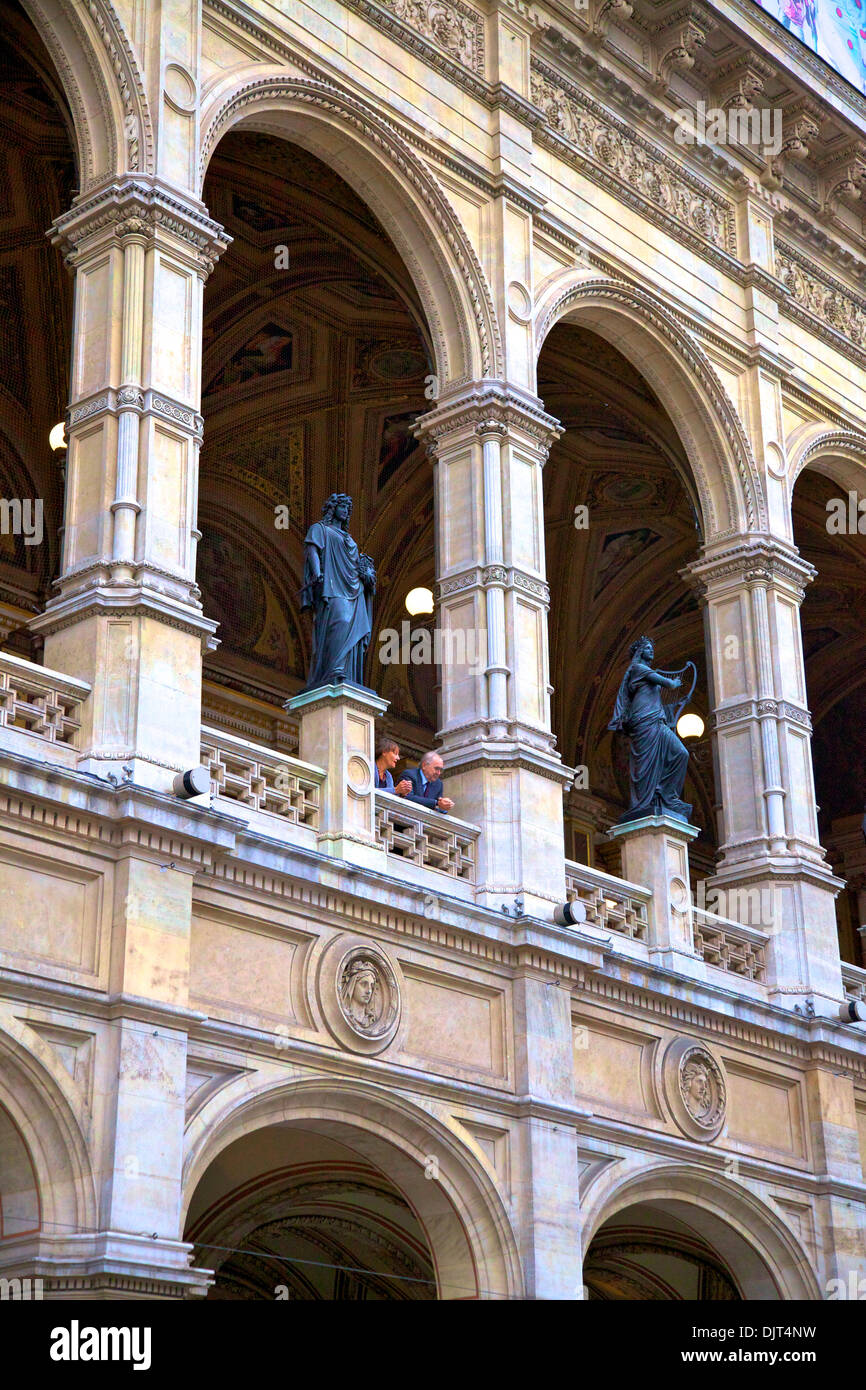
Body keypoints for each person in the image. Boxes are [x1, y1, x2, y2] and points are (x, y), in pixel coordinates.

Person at [608, 635, 692, 824]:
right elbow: (669, 684)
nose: (651, 650)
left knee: (681, 753)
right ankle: (646, 802)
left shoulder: (644, 673)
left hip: (656, 721)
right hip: (644, 724)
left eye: (651, 648)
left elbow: (657, 703)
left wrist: (677, 703)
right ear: (639, 652)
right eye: (647, 648)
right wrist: (677, 683)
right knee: (646, 765)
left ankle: (667, 796)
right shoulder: (638, 669)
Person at [299, 493, 376, 690]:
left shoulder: (349, 538)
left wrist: (367, 575)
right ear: (333, 508)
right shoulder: (320, 529)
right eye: (342, 507)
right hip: (332, 585)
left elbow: (357, 565)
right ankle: (333, 669)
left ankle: (345, 671)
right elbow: (312, 551)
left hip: (353, 587)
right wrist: (317, 573)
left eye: (348, 509)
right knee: (340, 621)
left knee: (353, 628)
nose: (346, 511)